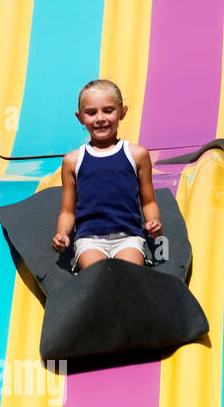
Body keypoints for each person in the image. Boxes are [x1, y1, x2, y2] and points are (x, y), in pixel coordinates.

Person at [53, 79, 162, 269]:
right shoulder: (73, 161)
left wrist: (154, 222)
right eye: (91, 112)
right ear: (80, 117)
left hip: (128, 237)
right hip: (89, 239)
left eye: (108, 110)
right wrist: (62, 234)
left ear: (122, 112)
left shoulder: (137, 155)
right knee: (97, 274)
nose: (100, 118)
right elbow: (67, 211)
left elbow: (149, 201)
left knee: (128, 273)